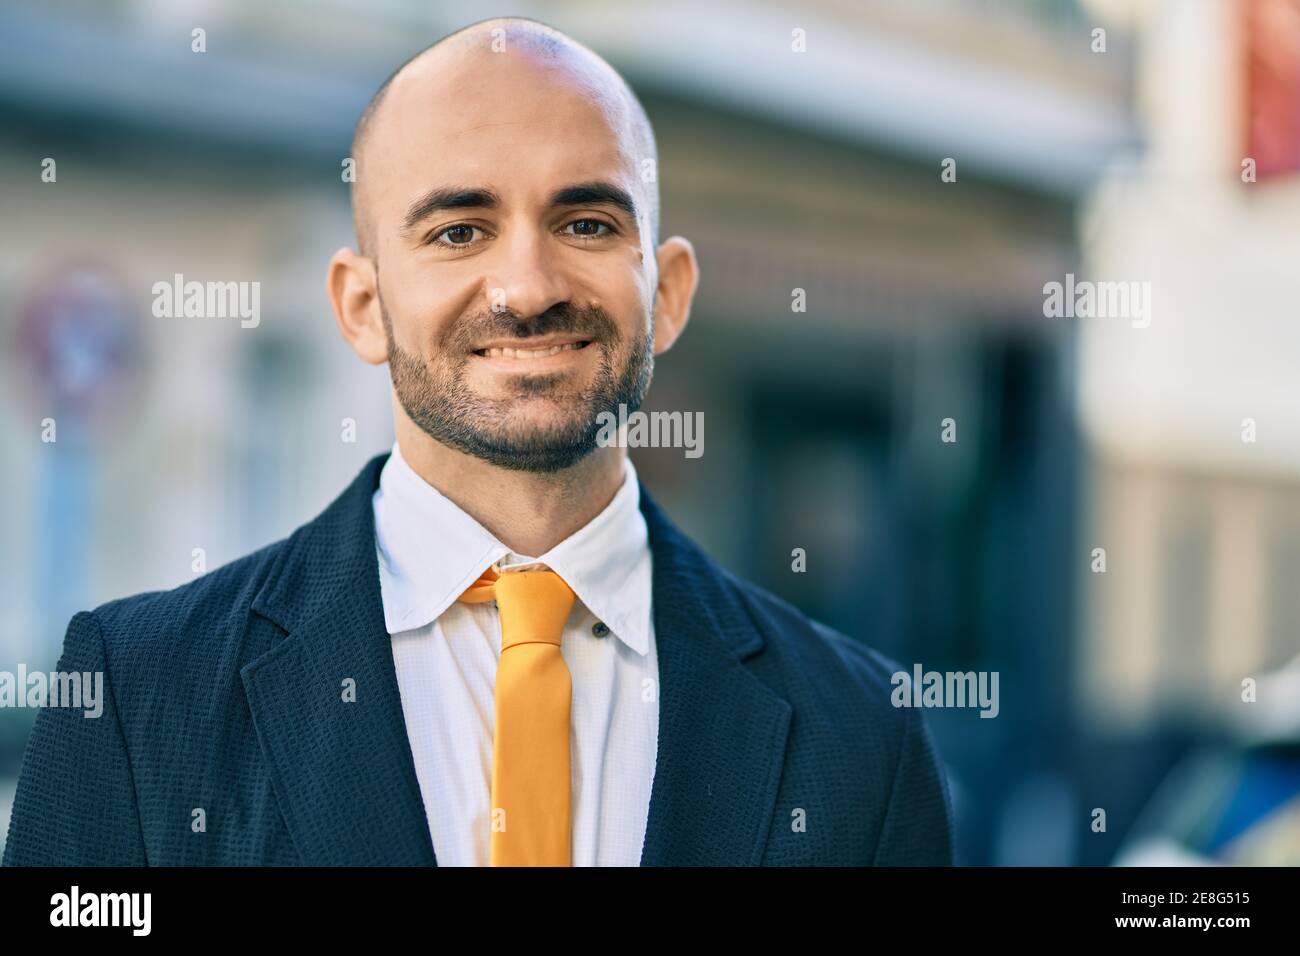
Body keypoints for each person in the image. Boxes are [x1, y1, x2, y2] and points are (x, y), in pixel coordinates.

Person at [3, 16, 952, 867]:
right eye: (460, 230)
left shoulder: (860, 735)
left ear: (666, 292)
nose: (527, 287)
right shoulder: (138, 696)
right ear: (363, 305)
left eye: (585, 222)